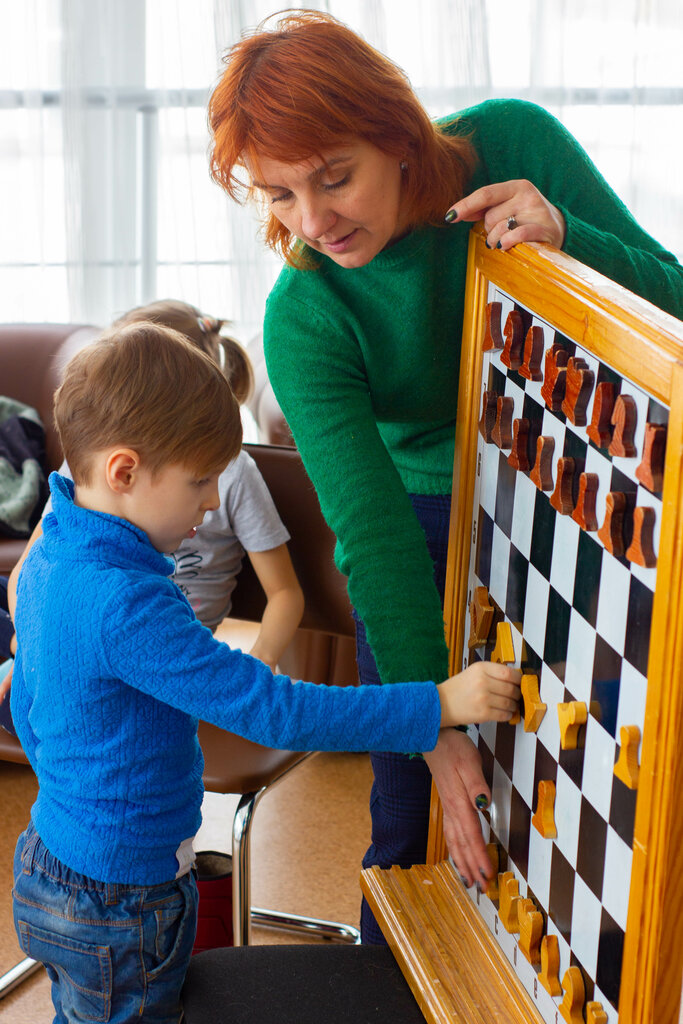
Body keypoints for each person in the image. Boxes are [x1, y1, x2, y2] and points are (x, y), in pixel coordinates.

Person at [206, 9, 683, 943]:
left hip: (572, 506)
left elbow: (669, 303)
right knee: (408, 817)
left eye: (334, 178)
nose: (312, 223)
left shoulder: (511, 140)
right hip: (416, 521)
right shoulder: (303, 317)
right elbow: (372, 530)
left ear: (396, 133)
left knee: (599, 796)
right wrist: (433, 730)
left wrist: (570, 236)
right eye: (277, 196)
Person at [11, 322, 520, 1023]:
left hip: (49, 865)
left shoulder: (50, 552)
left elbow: (32, 703)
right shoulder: (127, 602)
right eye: (198, 481)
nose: (214, 501)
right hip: (121, 900)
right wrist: (432, 705)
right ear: (124, 472)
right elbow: (272, 711)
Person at [1, 299, 303, 734]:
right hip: (90, 639)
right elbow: (27, 575)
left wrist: (260, 663)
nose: (212, 500)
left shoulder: (234, 477)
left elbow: (285, 593)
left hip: (161, 657)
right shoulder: (91, 468)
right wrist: (33, 652)